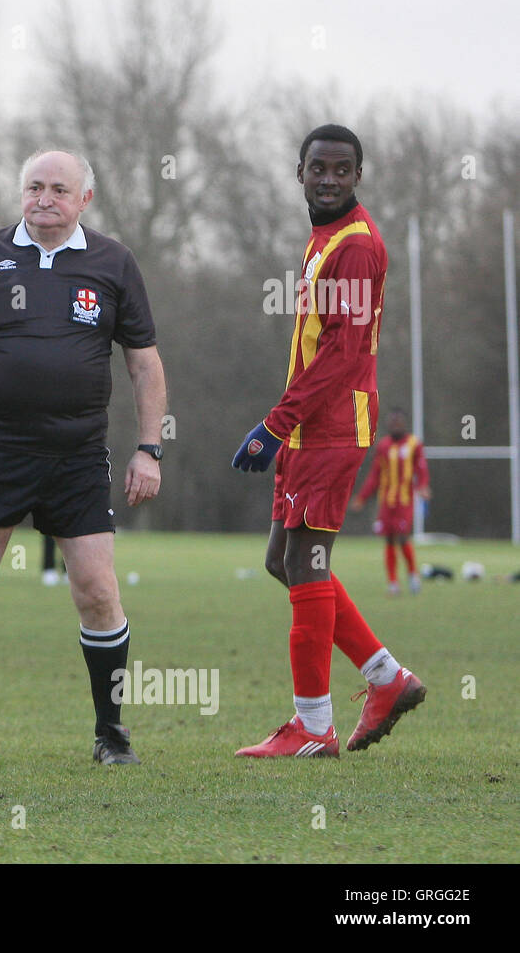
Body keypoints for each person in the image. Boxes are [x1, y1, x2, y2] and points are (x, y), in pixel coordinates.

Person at [0, 149, 166, 766]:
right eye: (34, 187)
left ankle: (111, 733)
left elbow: (143, 364)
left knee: (98, 591)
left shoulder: (113, 262)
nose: (45, 198)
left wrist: (149, 449)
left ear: (85, 200)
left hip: (76, 456)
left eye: (59, 189)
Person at [232, 124, 426, 758]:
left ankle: (314, 727)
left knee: (306, 563)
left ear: (359, 177)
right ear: (300, 172)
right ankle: (385, 678)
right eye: (320, 167)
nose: (330, 178)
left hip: (334, 427)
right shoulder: (325, 239)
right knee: (280, 560)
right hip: (314, 425)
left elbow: (343, 356)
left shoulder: (359, 247)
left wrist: (276, 423)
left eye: (344, 170)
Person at [352, 408, 431, 594]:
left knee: (403, 538)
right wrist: (362, 497)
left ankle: (413, 575)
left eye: (398, 422)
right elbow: (374, 475)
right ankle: (393, 582)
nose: (395, 425)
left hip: (405, 501)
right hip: (387, 502)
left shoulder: (413, 444)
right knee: (389, 539)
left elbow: (421, 469)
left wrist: (423, 486)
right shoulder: (383, 446)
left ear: (404, 424)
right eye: (392, 422)